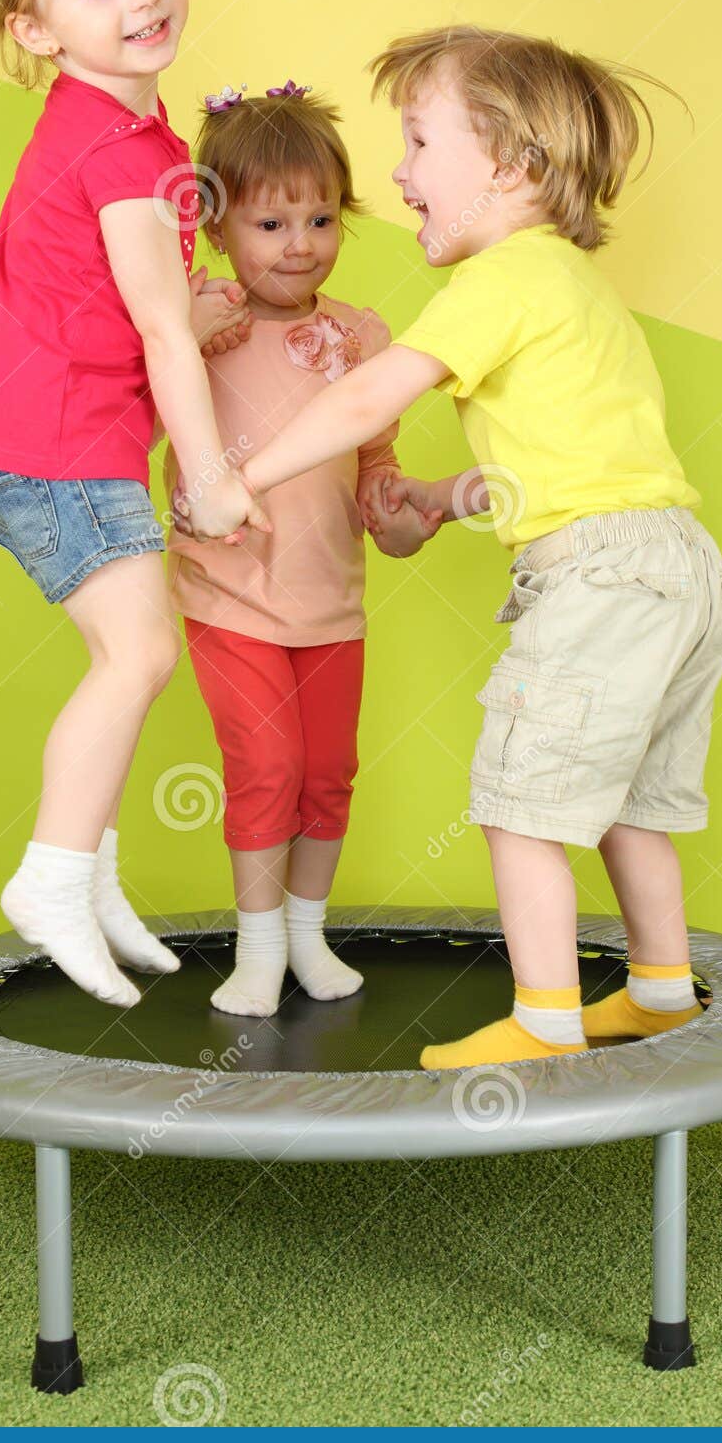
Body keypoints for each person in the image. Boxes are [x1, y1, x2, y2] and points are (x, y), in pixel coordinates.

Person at [189, 24, 722, 1068]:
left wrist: (241, 477)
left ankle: (543, 1020)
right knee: (628, 798)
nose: (397, 177)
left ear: (510, 165)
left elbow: (367, 394)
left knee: (519, 800)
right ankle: (661, 989)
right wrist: (444, 497)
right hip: (680, 566)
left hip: (601, 571)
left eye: (417, 143)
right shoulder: (573, 282)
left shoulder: (502, 278)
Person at [0, 0, 265, 1008]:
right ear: (38, 31)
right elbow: (156, 334)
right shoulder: (116, 148)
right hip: (50, 452)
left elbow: (130, 303)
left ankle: (89, 877)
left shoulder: (120, 130)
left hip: (54, 441)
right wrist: (210, 479)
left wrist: (190, 310)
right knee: (143, 650)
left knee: (126, 655)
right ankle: (52, 877)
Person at [165, 82, 427, 1017]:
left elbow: (376, 468)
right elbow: (137, 420)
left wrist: (400, 515)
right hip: (229, 597)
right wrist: (184, 339)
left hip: (331, 604)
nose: (300, 243)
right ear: (219, 227)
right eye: (272, 224)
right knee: (266, 768)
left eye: (320, 218)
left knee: (327, 775)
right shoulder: (195, 322)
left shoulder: (358, 337)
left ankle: (308, 937)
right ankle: (257, 947)